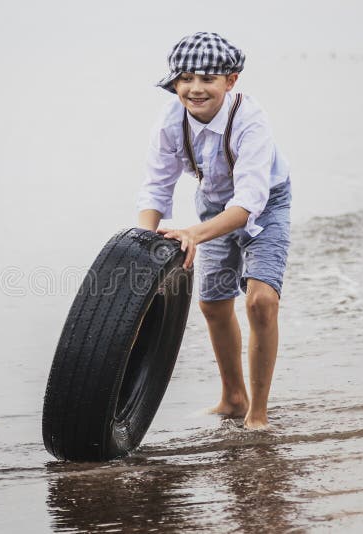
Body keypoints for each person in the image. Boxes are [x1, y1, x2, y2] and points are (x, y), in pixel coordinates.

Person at [136, 32, 292, 430]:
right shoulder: (171, 121)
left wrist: (192, 233)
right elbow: (156, 187)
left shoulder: (251, 121)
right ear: (174, 83)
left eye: (208, 78)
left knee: (261, 302)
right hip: (212, 203)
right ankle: (233, 399)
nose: (195, 88)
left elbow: (249, 202)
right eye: (185, 78)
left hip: (265, 204)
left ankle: (258, 413)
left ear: (231, 80)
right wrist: (141, 244)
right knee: (212, 303)